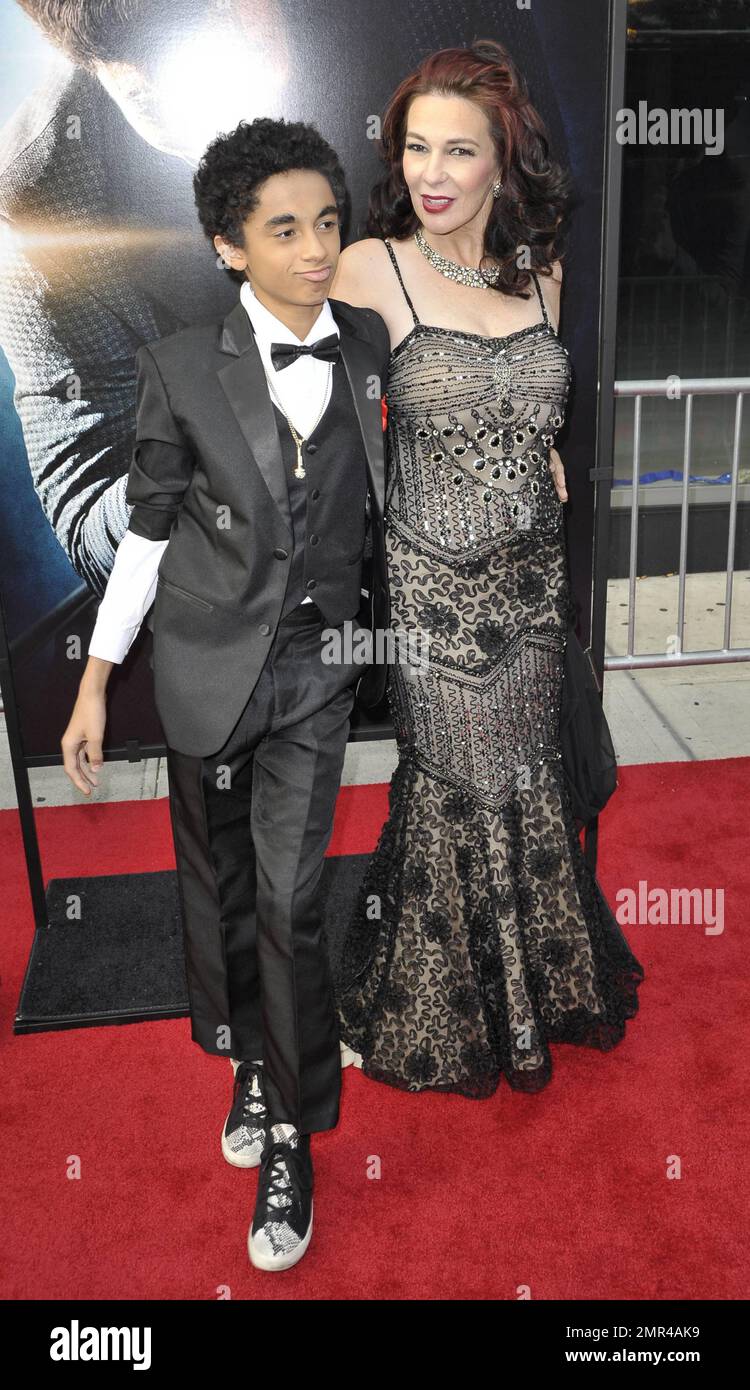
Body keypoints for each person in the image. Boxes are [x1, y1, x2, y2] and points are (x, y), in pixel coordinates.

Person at [61, 117, 390, 1271]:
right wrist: (97, 678)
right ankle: (250, 1057)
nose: (316, 248)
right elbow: (146, 539)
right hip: (205, 667)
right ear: (228, 244)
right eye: (284, 229)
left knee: (293, 901)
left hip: (318, 672)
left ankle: (292, 1130)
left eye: (328, 223)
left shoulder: (367, 346)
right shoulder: (178, 366)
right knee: (223, 892)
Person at [331, 40, 645, 1098]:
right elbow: (295, 370)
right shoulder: (374, 266)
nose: (431, 171)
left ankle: (539, 991)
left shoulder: (541, 272)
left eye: (457, 150)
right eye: (415, 147)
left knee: (530, 777)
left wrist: (541, 449)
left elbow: (540, 403)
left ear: (502, 163)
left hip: (534, 588)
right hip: (435, 594)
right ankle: (448, 1003)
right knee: (457, 783)